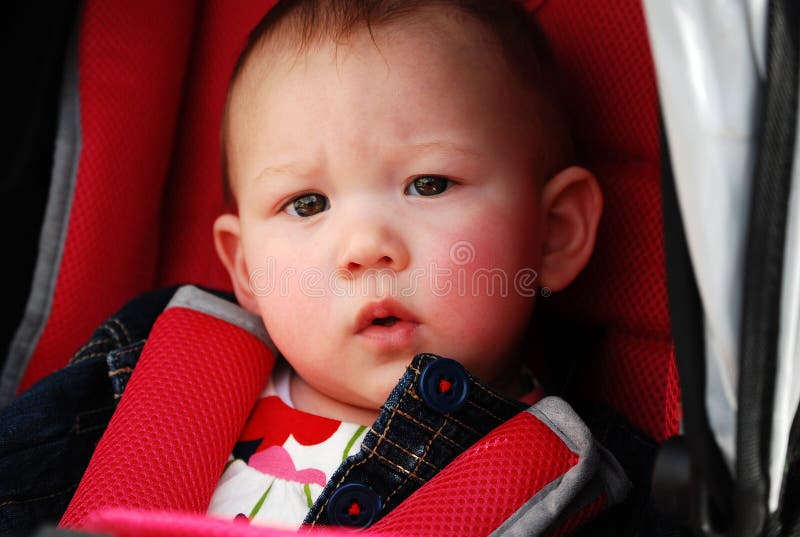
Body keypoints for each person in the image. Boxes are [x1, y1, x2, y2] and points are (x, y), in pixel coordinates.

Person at [205, 0, 603, 529]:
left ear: (553, 233)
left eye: (429, 184)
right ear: (247, 266)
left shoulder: (560, 489)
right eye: (307, 204)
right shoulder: (170, 391)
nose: (366, 246)